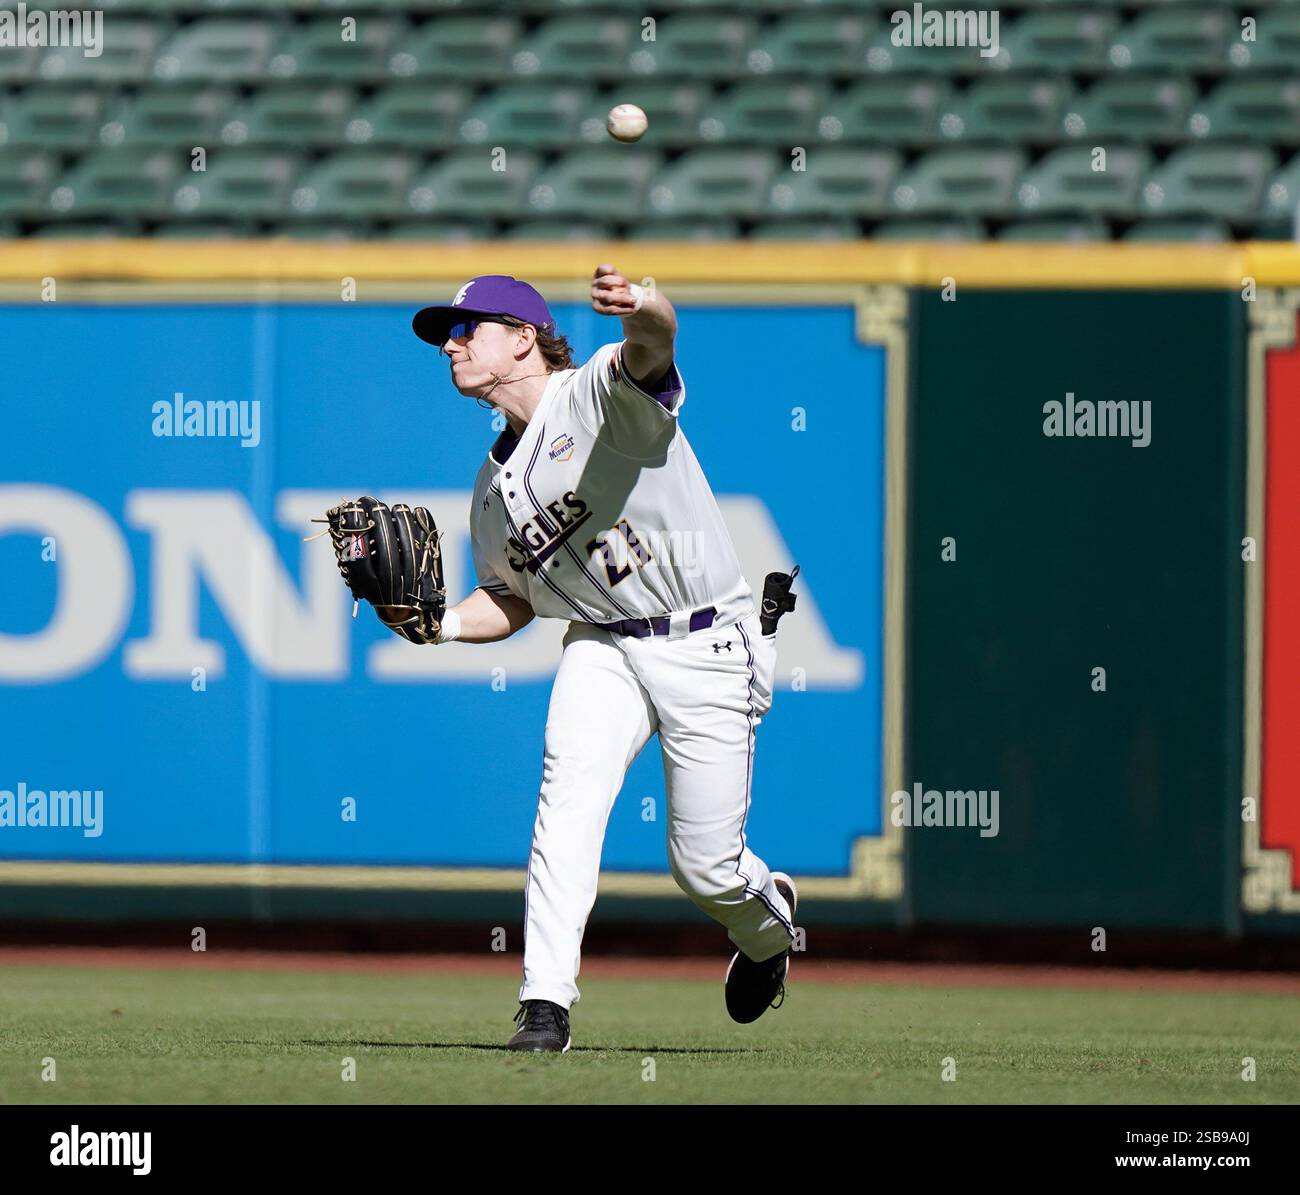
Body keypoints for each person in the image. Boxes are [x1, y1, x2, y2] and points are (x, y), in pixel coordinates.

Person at [410, 266, 797, 1052]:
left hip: (703, 639)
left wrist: (646, 304)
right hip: (602, 641)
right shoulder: (490, 490)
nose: (450, 343)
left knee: (705, 869)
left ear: (523, 337)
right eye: (445, 333)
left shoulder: (592, 393)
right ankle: (544, 1005)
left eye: (466, 327)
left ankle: (767, 930)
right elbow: (511, 597)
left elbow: (654, 343)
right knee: (568, 794)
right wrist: (440, 624)